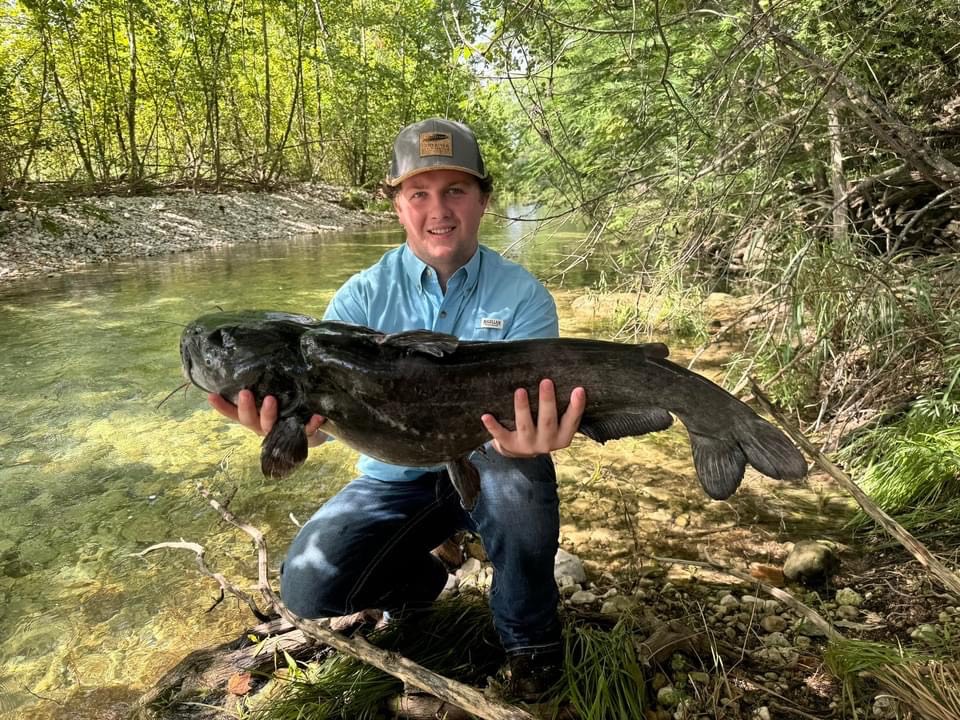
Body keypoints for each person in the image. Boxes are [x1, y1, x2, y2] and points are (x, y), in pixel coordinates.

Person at [208, 117, 586, 699]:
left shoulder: (524, 297)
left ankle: (530, 644)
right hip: (393, 479)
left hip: (493, 461)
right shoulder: (359, 297)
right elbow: (330, 425)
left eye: (455, 190)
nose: (439, 210)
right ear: (397, 205)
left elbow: (535, 411)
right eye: (419, 194)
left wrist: (535, 438)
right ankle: (420, 583)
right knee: (305, 589)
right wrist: (290, 426)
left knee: (521, 488)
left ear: (484, 199)